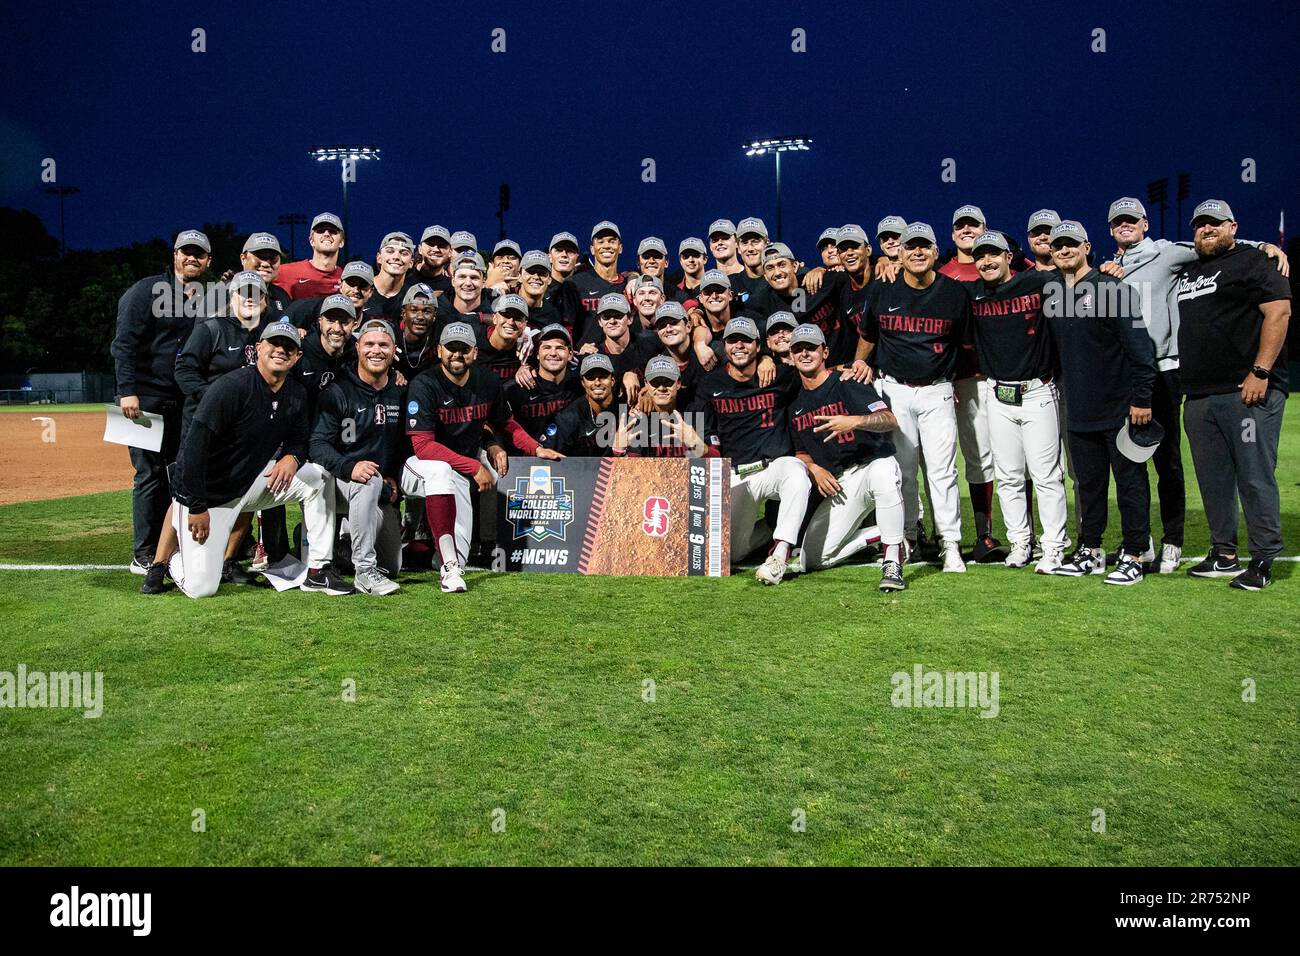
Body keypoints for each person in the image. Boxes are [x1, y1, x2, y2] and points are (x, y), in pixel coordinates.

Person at [1100, 195, 1289, 573]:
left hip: (1209, 381)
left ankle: (1249, 556)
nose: (1208, 229)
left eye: (1132, 219)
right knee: (1200, 474)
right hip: (1185, 387)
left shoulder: (1179, 255)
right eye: (1118, 221)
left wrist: (1265, 245)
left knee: (1234, 472)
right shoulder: (1123, 269)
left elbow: (1277, 309)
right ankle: (1216, 552)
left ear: (1145, 224)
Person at [164, 321, 344, 598]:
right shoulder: (231, 387)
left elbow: (300, 440)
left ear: (297, 357)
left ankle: (318, 571)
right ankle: (176, 561)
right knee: (202, 588)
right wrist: (196, 506)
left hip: (250, 484)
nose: (281, 351)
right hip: (209, 497)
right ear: (258, 348)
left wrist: (293, 458)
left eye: (289, 347)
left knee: (318, 478)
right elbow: (194, 449)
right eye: (274, 344)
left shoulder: (295, 393)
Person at [1176, 200, 1292, 590]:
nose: (1206, 230)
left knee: (1255, 477)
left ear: (1232, 227)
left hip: (1246, 393)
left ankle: (1262, 560)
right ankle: (1224, 554)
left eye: (1214, 224)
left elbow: (1279, 313)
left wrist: (1261, 371)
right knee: (1213, 480)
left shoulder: (1255, 261)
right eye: (1200, 225)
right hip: (1199, 396)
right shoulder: (1191, 268)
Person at [402, 322, 562, 592]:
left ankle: (477, 550)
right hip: (418, 468)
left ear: (475, 352)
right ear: (439, 350)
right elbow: (423, 447)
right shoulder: (425, 385)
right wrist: (474, 465)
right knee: (440, 471)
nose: (457, 355)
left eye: (463, 349)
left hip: (460, 467)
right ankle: (448, 570)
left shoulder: (486, 381)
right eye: (451, 349)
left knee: (461, 547)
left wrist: (535, 448)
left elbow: (506, 423)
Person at [141, 270, 272, 593]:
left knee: (245, 488)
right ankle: (159, 564)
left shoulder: (268, 337)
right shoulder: (211, 330)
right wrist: (213, 400)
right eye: (244, 293)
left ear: (265, 301)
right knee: (184, 489)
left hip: (246, 431)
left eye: (256, 294)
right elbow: (183, 370)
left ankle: (228, 560)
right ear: (232, 298)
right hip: (205, 426)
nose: (250, 300)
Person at [1042, 221, 1156, 585]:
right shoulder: (1054, 294)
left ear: (1087, 247)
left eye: (1071, 244)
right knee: (1089, 486)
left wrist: (1141, 399)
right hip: (1078, 409)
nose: (1064, 250)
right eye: (1058, 245)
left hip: (1120, 409)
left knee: (1130, 483)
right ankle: (1090, 549)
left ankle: (1135, 553)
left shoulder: (1112, 289)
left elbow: (1141, 349)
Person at [855, 222, 970, 572]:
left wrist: (955, 386)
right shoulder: (882, 289)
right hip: (895, 389)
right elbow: (869, 334)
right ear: (899, 253)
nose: (917, 252)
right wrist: (859, 361)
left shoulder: (954, 292)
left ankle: (949, 542)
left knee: (942, 471)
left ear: (936, 252)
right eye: (910, 247)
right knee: (901, 471)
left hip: (937, 389)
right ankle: (905, 538)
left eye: (924, 246)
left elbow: (964, 345)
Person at [967, 232, 1070, 573]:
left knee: (1046, 476)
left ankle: (1053, 546)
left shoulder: (1038, 283)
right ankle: (1020, 543)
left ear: (1009, 256)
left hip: (1038, 391)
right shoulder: (974, 293)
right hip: (997, 395)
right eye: (981, 256)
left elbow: (1075, 272)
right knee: (1009, 475)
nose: (987, 261)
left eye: (994, 254)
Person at [112, 228, 211, 574]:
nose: (192, 257)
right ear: (174, 254)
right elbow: (123, 343)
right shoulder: (146, 291)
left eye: (199, 253)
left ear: (208, 260)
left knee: (179, 474)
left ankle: (170, 549)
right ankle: (143, 553)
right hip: (143, 400)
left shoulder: (209, 298)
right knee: (148, 474)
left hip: (184, 401)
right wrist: (127, 389)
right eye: (186, 251)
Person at [787, 324, 906, 591]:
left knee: (884, 471)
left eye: (812, 348)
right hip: (842, 483)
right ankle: (879, 535)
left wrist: (854, 421)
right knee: (812, 559)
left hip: (870, 466)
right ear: (791, 357)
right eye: (799, 349)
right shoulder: (795, 407)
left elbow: (889, 420)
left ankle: (892, 559)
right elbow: (801, 453)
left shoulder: (847, 382)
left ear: (825, 352)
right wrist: (813, 469)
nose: (805, 354)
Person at [697, 316, 810, 585]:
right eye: (733, 341)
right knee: (732, 554)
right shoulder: (710, 384)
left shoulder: (781, 376)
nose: (739, 346)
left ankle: (779, 556)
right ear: (723, 346)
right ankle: (773, 529)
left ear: (758, 346)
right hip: (737, 473)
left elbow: (818, 376)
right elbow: (707, 435)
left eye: (746, 341)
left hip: (774, 465)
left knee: (797, 473)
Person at [309, 319, 407, 596]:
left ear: (393, 350)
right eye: (370, 344)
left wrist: (395, 475)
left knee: (393, 564)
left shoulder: (399, 392)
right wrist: (348, 466)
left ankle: (340, 546)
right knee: (368, 479)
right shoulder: (338, 391)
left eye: (383, 345)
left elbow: (403, 444)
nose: (376, 350)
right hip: (340, 481)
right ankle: (364, 571)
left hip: (380, 486)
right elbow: (317, 445)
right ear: (358, 347)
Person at [937, 204, 1002, 562]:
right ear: (952, 234)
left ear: (984, 227)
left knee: (1000, 459)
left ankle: (989, 535)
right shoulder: (941, 273)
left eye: (973, 225)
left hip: (993, 376)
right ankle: (947, 533)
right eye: (960, 226)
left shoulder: (1004, 268)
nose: (966, 230)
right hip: (955, 381)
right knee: (947, 461)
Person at [614, 356, 717, 458]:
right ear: (646, 384)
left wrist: (695, 442)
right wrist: (619, 451)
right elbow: (632, 468)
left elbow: (718, 461)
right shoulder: (639, 417)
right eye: (655, 382)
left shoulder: (697, 410)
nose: (662, 388)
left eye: (668, 382)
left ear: (678, 383)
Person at [505, 323, 581, 444]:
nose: (553, 353)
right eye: (547, 347)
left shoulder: (580, 386)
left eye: (560, 348)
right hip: (524, 460)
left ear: (570, 354)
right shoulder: (515, 389)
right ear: (537, 354)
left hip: (569, 460)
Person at [540, 353, 624, 457]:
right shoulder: (569, 418)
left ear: (612, 380)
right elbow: (546, 452)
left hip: (619, 469)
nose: (597, 383)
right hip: (581, 470)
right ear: (583, 383)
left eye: (603, 376)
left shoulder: (625, 406)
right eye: (590, 378)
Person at [298, 293, 359, 419]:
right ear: (320, 321)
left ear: (354, 324)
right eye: (330, 321)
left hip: (341, 424)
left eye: (344, 322)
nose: (337, 328)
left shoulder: (358, 351)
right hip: (302, 421)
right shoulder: (301, 350)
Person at [286, 261, 375, 331]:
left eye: (362, 286)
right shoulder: (309, 308)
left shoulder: (370, 327)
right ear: (340, 285)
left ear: (371, 292)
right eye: (351, 284)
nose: (355, 290)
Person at [275, 213, 344, 300]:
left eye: (333, 231)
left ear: (341, 242)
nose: (326, 234)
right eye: (320, 230)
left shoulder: (347, 279)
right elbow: (254, 283)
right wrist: (255, 314)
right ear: (312, 241)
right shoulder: (285, 272)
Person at [413, 224, 454, 296]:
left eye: (442, 245)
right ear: (420, 249)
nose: (436, 249)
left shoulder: (452, 288)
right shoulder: (402, 278)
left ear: (450, 252)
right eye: (430, 244)